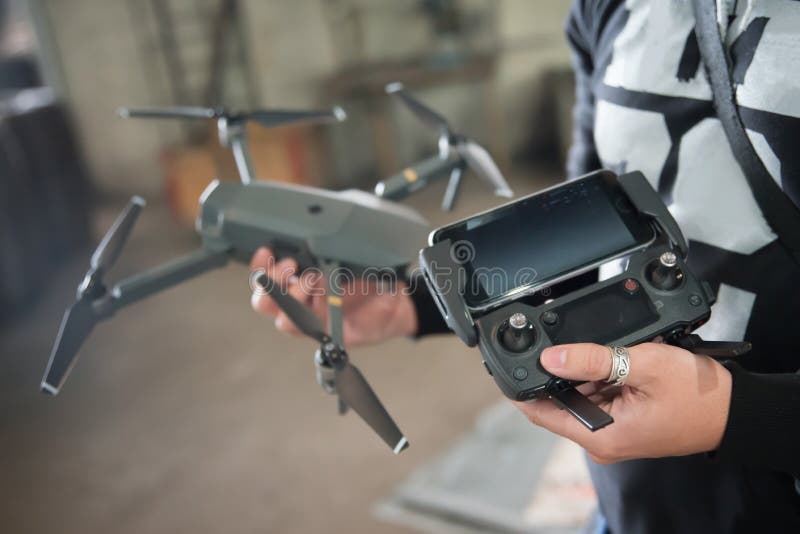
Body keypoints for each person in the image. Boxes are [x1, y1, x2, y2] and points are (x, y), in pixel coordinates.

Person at [251, 1, 800, 531]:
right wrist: (414, 304)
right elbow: (579, 227)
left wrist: (741, 414)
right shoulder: (604, 8)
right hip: (635, 498)